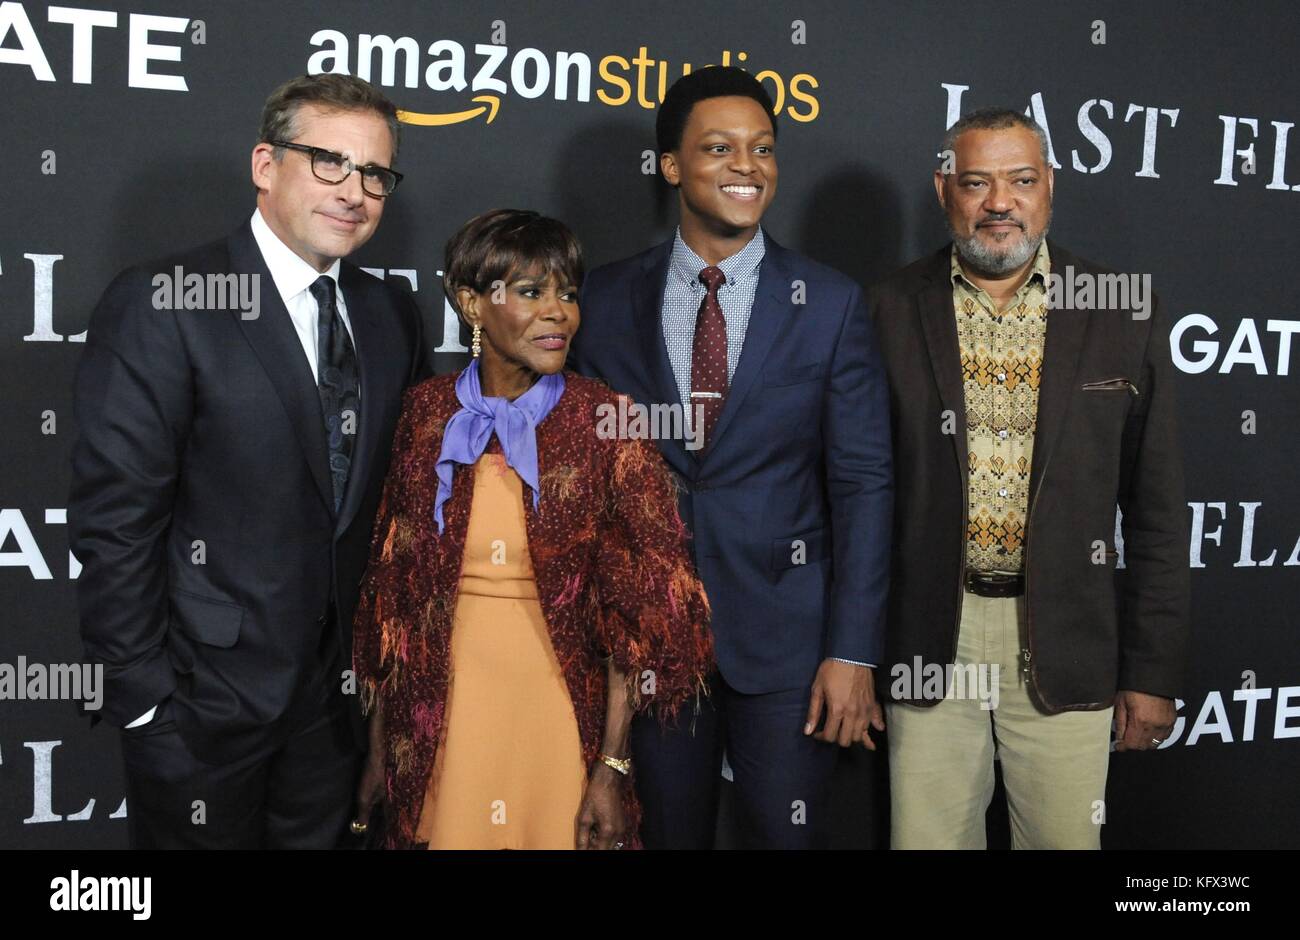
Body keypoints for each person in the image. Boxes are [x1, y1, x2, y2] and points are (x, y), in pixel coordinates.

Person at [68, 74, 429, 849]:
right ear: (266, 165)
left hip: (335, 713)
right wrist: (145, 705)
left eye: (375, 173)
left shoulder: (389, 313)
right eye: (328, 162)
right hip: (200, 708)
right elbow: (115, 521)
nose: (354, 191)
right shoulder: (169, 300)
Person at [570, 67, 893, 849]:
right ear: (672, 166)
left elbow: (863, 482)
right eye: (719, 148)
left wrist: (852, 651)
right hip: (652, 638)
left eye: (763, 149)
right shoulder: (603, 299)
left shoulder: (831, 303)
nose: (747, 165)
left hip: (786, 640)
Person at [868, 107, 1190, 849]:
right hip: (929, 641)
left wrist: (1152, 670)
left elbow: (1159, 510)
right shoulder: (886, 308)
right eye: (976, 182)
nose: (999, 203)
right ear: (944, 190)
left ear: (1050, 187)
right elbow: (858, 496)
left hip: (1069, 639)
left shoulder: (1120, 308)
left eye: (1020, 180)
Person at [351, 209, 713, 850]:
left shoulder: (608, 422)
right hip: (440, 716)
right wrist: (381, 747)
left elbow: (644, 615)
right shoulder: (424, 413)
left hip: (553, 714)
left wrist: (613, 765)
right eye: (531, 293)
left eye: (568, 294)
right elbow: (391, 595)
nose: (558, 313)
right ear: (471, 304)